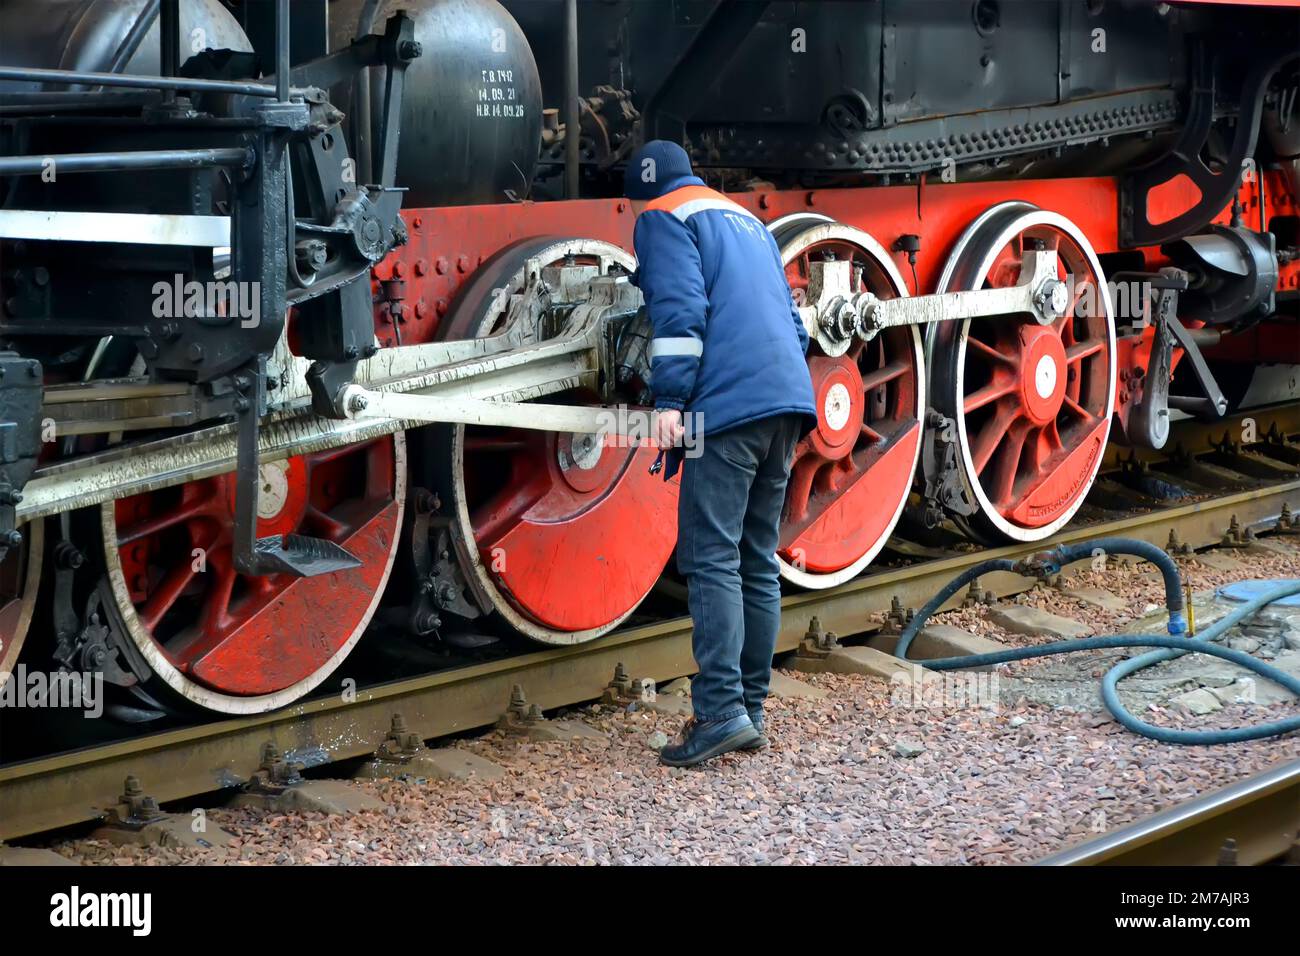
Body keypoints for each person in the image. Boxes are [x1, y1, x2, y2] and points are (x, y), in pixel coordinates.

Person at [625, 140, 816, 767]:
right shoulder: (746, 221)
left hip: (727, 409)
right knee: (756, 558)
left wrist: (670, 403)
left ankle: (718, 713)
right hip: (788, 399)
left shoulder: (662, 217)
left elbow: (680, 314)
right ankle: (749, 710)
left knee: (710, 557)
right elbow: (794, 325)